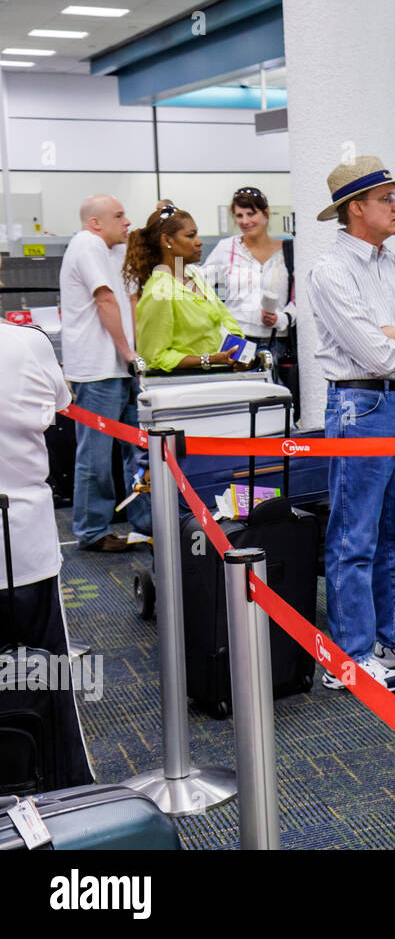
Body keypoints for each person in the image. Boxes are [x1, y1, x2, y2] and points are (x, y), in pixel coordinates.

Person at [308, 155, 395, 693]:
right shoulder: (331, 271)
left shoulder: (392, 263)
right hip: (361, 406)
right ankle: (351, 654)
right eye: (387, 197)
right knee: (355, 534)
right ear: (356, 208)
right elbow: (374, 354)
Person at [0, 317, 95, 788]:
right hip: (23, 549)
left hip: (24, 546)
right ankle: (61, 800)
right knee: (45, 683)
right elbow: (60, 405)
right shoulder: (27, 343)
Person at [58, 194, 152, 551]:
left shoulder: (114, 251)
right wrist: (128, 352)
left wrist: (134, 354)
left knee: (138, 452)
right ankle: (92, 532)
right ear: (96, 222)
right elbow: (105, 300)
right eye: (119, 215)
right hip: (99, 370)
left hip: (121, 367)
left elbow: (129, 301)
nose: (127, 221)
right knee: (96, 456)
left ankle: (144, 521)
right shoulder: (87, 245)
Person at [126, 205, 244, 372]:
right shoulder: (159, 291)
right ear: (167, 241)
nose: (199, 242)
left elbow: (224, 316)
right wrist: (208, 359)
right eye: (190, 236)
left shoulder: (194, 275)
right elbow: (155, 357)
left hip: (218, 375)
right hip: (187, 386)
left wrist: (236, 349)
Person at [201, 187, 294, 364]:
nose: (245, 221)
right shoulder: (226, 248)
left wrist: (281, 318)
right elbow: (200, 285)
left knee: (277, 391)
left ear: (265, 213)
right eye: (239, 216)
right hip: (237, 340)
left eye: (251, 214)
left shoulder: (288, 251)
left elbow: (300, 299)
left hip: (277, 342)